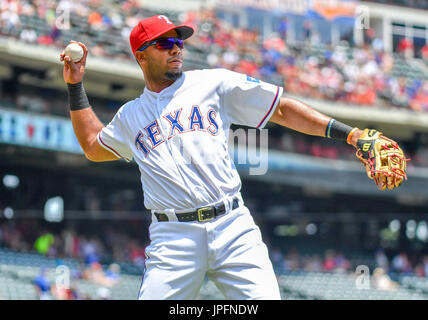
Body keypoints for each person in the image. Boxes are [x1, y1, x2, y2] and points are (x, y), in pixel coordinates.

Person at [59, 15, 404, 300]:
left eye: (179, 41)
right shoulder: (130, 116)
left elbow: (282, 109)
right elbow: (91, 144)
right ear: (142, 55)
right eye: (165, 43)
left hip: (232, 226)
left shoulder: (214, 83)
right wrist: (75, 84)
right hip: (173, 237)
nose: (177, 48)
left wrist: (351, 134)